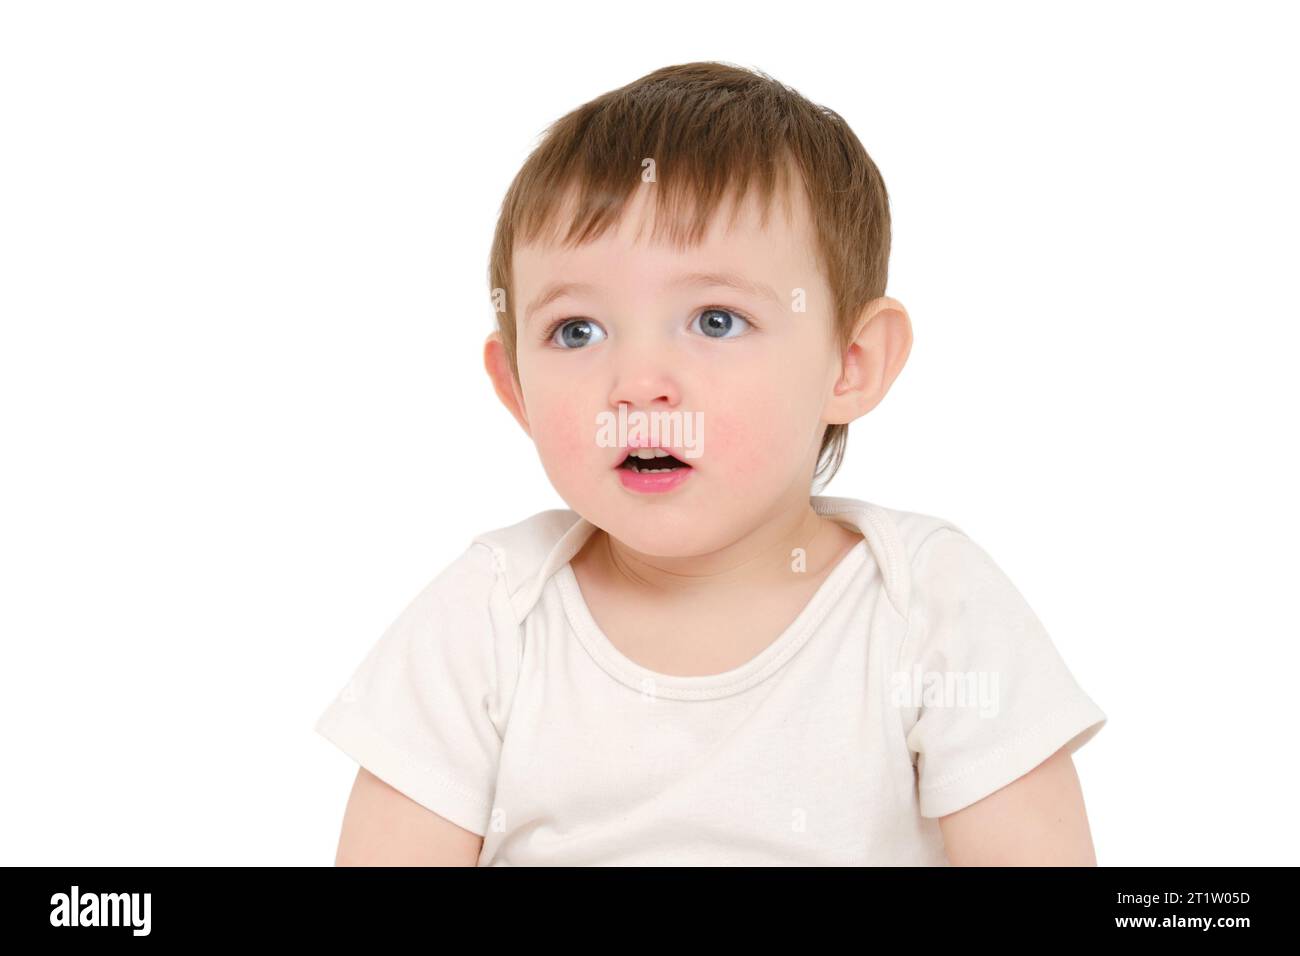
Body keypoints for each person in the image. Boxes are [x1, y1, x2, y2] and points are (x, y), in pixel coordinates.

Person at [315, 61, 1107, 866]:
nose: (639, 385)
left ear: (852, 362)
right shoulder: (489, 617)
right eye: (577, 331)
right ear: (514, 385)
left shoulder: (929, 607)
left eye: (716, 320)